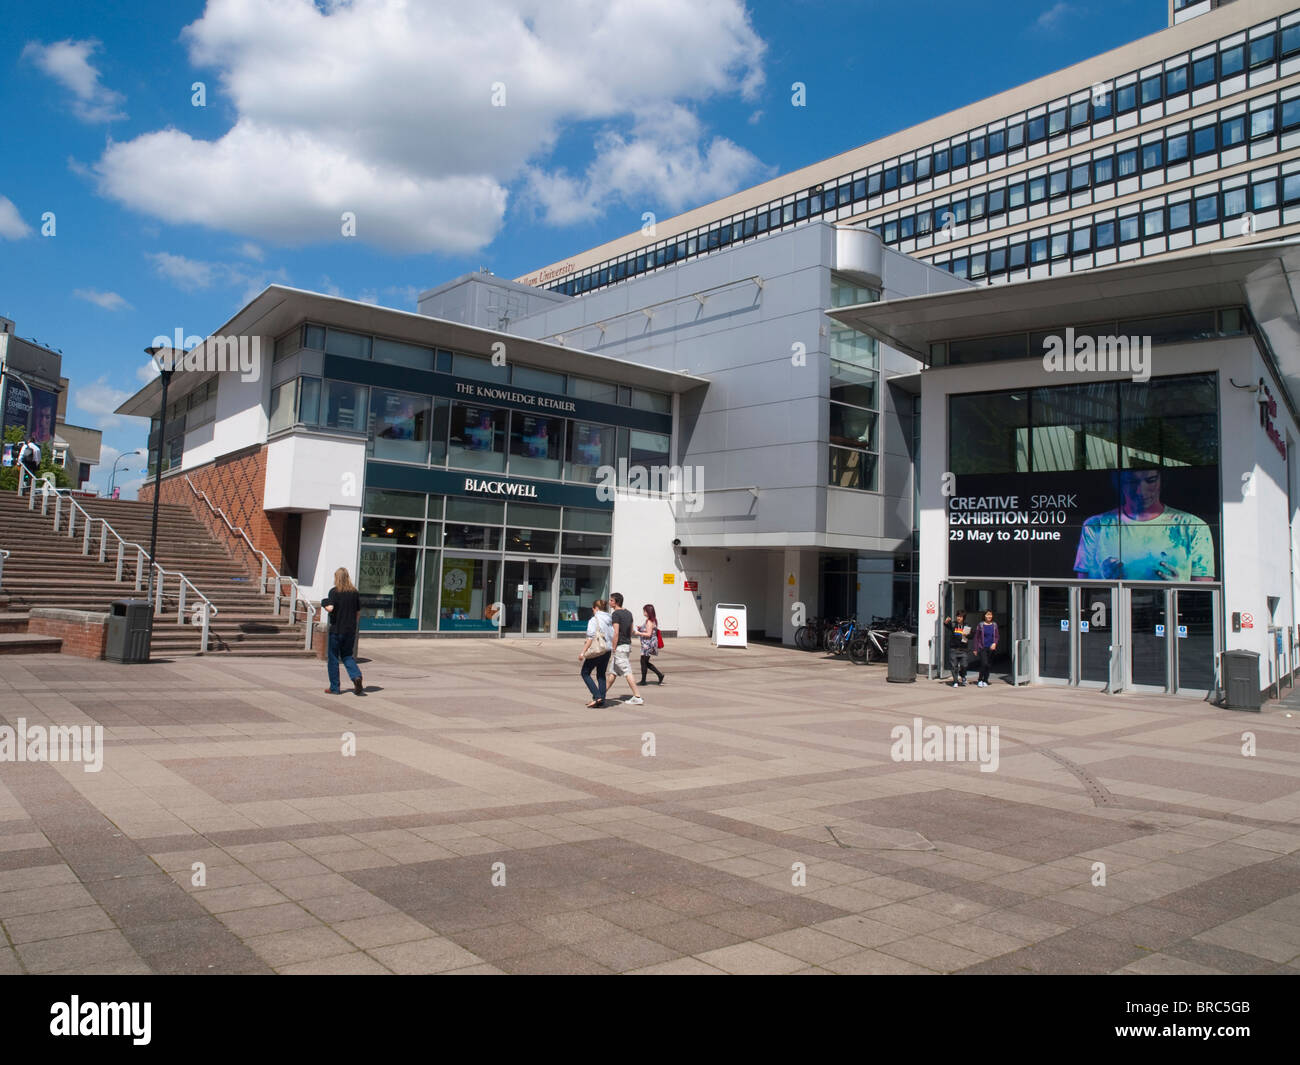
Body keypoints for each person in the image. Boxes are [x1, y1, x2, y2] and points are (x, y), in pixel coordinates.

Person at [1074, 467, 1215, 581]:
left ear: (1161, 481)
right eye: (1131, 482)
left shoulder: (1193, 526)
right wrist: (1102, 577)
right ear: (1120, 484)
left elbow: (1205, 589)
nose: (1140, 491)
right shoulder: (1095, 526)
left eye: (1151, 480)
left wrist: (1180, 589)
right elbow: (1083, 587)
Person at [321, 567, 364, 695]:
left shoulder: (334, 592)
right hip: (350, 631)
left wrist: (324, 602)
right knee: (347, 656)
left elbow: (330, 608)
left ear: (337, 578)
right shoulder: (354, 592)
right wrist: (353, 626)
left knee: (333, 658)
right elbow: (357, 613)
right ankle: (356, 676)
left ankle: (334, 687)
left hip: (336, 630)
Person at [606, 592, 644, 705]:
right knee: (613, 672)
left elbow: (616, 633)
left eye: (611, 600)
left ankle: (637, 696)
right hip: (626, 645)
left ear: (616, 602)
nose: (609, 602)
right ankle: (601, 694)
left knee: (627, 671)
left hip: (620, 647)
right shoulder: (628, 613)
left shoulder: (616, 614)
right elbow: (631, 631)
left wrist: (613, 647)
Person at [579, 597, 615, 708]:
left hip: (597, 650)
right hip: (607, 650)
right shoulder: (610, 619)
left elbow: (590, 637)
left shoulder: (594, 620)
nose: (592, 611)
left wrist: (583, 652)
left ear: (596, 608)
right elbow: (613, 634)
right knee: (601, 675)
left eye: (593, 609)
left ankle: (597, 696)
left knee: (585, 673)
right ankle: (602, 700)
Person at [636, 604, 664, 685]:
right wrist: (641, 628)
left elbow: (648, 634)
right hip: (650, 643)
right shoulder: (652, 620)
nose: (643, 612)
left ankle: (644, 680)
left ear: (649, 612)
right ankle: (658, 675)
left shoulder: (649, 621)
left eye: (644, 611)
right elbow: (650, 631)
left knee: (643, 661)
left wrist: (638, 633)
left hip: (648, 644)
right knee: (644, 662)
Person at [971, 609, 999, 688]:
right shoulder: (981, 625)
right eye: (987, 614)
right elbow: (976, 637)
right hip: (982, 647)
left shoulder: (994, 625)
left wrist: (995, 643)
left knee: (988, 665)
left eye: (990, 615)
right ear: (984, 616)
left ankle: (985, 680)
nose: (989, 616)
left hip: (991, 648)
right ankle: (980, 680)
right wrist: (975, 648)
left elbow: (997, 636)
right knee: (984, 663)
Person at [944, 611, 971, 688]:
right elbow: (947, 625)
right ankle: (955, 681)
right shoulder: (953, 624)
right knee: (953, 666)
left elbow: (972, 635)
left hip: (963, 649)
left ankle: (963, 676)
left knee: (964, 665)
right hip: (954, 649)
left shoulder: (966, 626)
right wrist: (946, 622)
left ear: (963, 618)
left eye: (961, 616)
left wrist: (968, 635)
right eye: (958, 616)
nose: (959, 618)